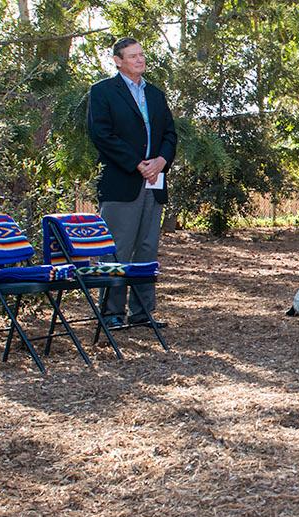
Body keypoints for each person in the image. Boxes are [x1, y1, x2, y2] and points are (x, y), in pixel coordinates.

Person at [85, 37, 177, 328]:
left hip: (154, 182)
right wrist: (138, 164)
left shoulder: (156, 94)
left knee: (147, 249)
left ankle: (143, 313)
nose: (140, 60)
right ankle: (112, 314)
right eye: (133, 56)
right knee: (117, 249)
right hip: (122, 182)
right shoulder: (103, 92)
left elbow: (170, 135)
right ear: (117, 60)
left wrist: (160, 161)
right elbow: (102, 134)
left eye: (141, 55)